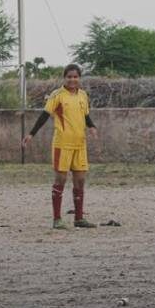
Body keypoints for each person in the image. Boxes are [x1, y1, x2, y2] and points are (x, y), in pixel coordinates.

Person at [22, 64, 99, 229]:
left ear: (79, 78)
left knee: (80, 180)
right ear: (64, 78)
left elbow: (85, 115)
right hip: (62, 144)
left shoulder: (83, 95)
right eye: (69, 76)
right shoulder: (57, 95)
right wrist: (31, 134)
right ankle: (57, 220)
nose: (72, 79)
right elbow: (44, 115)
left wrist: (92, 127)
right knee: (61, 179)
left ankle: (79, 219)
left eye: (75, 77)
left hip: (80, 144)